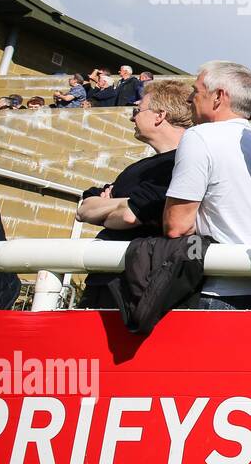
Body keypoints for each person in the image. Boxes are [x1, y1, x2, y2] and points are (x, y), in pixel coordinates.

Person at [163, 61, 251, 309]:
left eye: (196, 91)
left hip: (220, 290)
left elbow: (176, 226)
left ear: (219, 96)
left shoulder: (200, 136)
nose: (190, 99)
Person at [75, 80, 193, 308]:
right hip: (105, 280)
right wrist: (121, 206)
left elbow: (131, 215)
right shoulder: (139, 167)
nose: (132, 117)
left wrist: (109, 206)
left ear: (160, 115)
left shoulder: (182, 164)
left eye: (137, 111)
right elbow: (84, 207)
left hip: (136, 288)